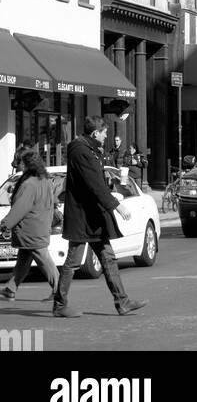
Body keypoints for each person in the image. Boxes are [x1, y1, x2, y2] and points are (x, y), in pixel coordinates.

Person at [51, 115, 145, 319]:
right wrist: (116, 205)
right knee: (73, 262)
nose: (106, 137)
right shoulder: (82, 150)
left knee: (108, 258)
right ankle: (59, 304)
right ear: (95, 133)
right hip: (83, 217)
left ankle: (122, 302)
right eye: (104, 133)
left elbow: (96, 182)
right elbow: (94, 184)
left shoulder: (88, 149)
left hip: (93, 217)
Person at [0, 150, 59, 302]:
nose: (17, 165)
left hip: (31, 229)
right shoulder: (43, 179)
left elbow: (20, 208)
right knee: (23, 259)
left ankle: (59, 291)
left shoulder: (29, 184)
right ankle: (10, 289)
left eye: (19, 162)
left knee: (44, 260)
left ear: (27, 165)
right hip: (38, 225)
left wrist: (4, 224)